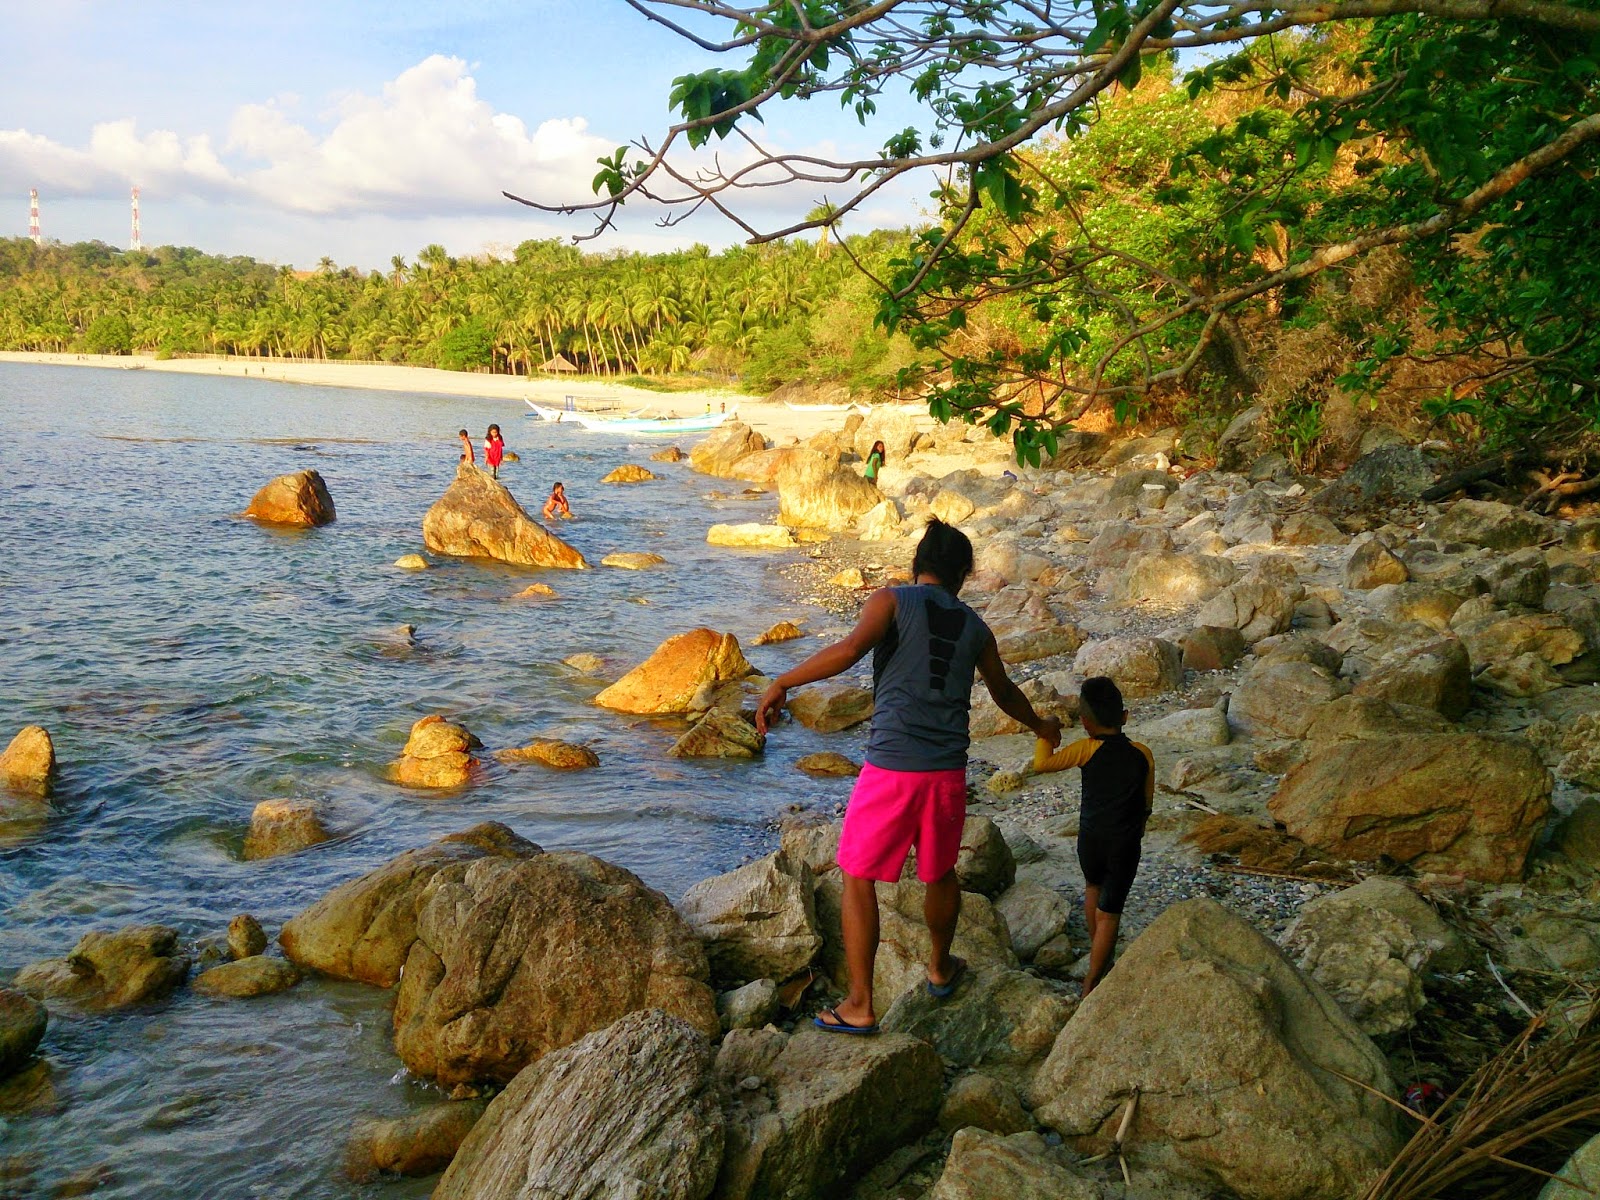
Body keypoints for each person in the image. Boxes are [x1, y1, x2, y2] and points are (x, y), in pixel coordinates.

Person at [756, 519, 1062, 1034]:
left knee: (858, 877)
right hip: (945, 775)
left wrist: (783, 680)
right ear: (962, 574)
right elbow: (1005, 693)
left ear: (918, 564)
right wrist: (1042, 725)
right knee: (939, 874)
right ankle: (940, 968)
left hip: (892, 769)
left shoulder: (891, 601)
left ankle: (859, 1003)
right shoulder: (976, 627)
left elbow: (850, 651)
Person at [1031, 677, 1153, 996]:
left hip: (1090, 840)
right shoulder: (1143, 754)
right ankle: (1092, 983)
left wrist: (1047, 731)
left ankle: (1096, 953)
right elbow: (1146, 803)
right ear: (1124, 717)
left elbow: (1041, 763)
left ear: (1085, 722)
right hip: (1123, 843)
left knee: (1092, 888)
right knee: (1110, 912)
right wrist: (1137, 831)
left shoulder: (1085, 749)